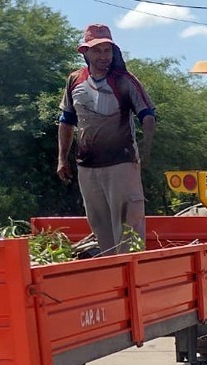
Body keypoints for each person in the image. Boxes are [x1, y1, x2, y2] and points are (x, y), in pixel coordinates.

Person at [56, 24, 155, 256]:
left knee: (128, 221)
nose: (103, 56)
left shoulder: (125, 81)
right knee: (99, 223)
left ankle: (133, 273)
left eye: (107, 51)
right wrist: (62, 158)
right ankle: (111, 273)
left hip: (121, 162)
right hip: (87, 165)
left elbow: (147, 115)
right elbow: (66, 120)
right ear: (85, 52)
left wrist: (147, 147)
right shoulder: (74, 81)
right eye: (97, 51)